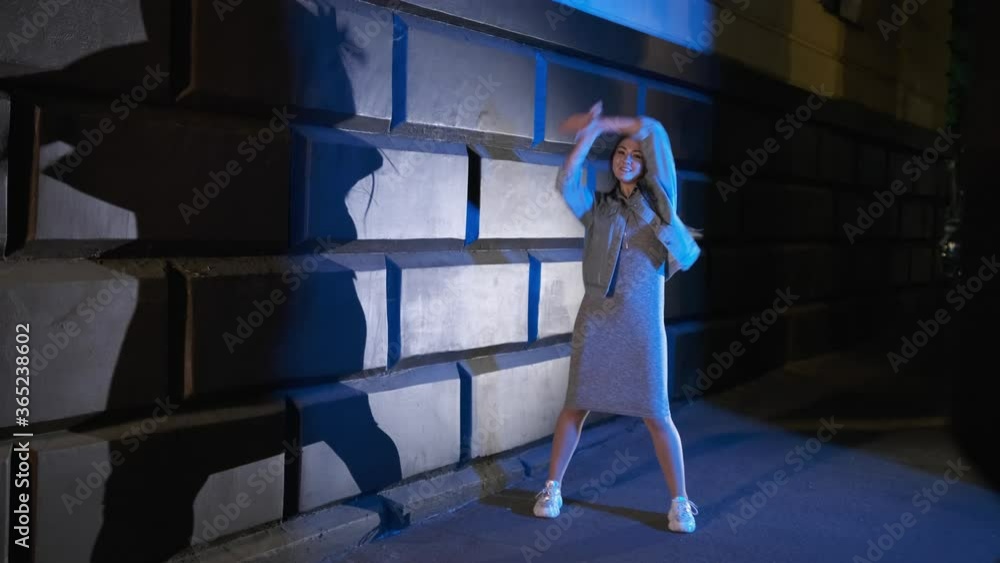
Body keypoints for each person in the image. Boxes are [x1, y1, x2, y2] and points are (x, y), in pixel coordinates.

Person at [533, 101, 703, 533]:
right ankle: (551, 488)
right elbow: (566, 182)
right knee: (575, 405)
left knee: (657, 414)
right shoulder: (599, 208)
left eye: (635, 155)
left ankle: (680, 502)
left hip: (642, 322)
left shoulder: (660, 197)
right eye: (620, 153)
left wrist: (604, 122)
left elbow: (653, 128)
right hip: (596, 319)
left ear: (646, 165)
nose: (626, 159)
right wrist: (587, 137)